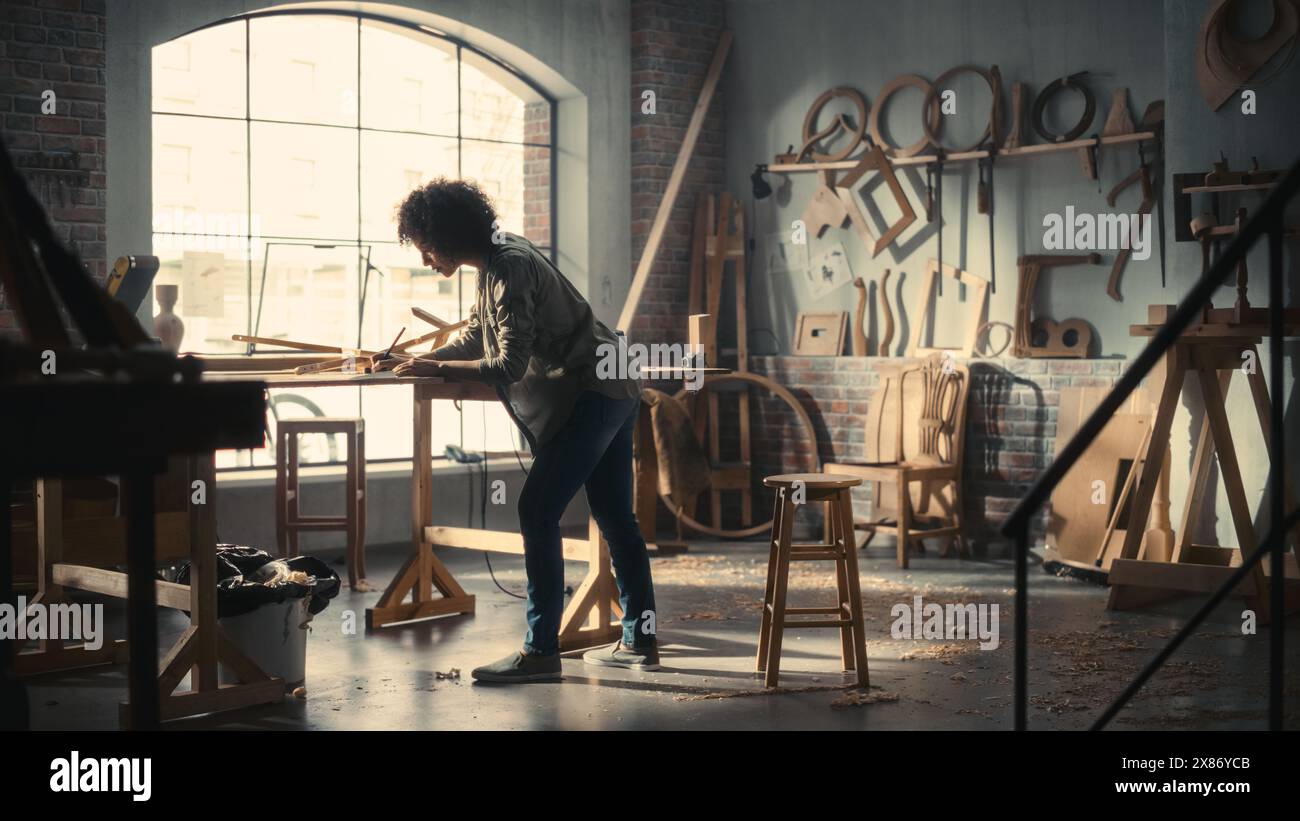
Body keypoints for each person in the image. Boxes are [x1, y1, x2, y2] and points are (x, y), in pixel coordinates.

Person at [374, 178, 657, 682]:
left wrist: (435, 371)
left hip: (597, 391)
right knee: (615, 515)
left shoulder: (507, 268)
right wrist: (421, 359)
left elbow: (505, 363)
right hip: (616, 382)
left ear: (445, 237)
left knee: (537, 509)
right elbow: (475, 335)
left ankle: (541, 651)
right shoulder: (499, 257)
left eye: (425, 248)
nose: (424, 260)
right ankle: (640, 638)